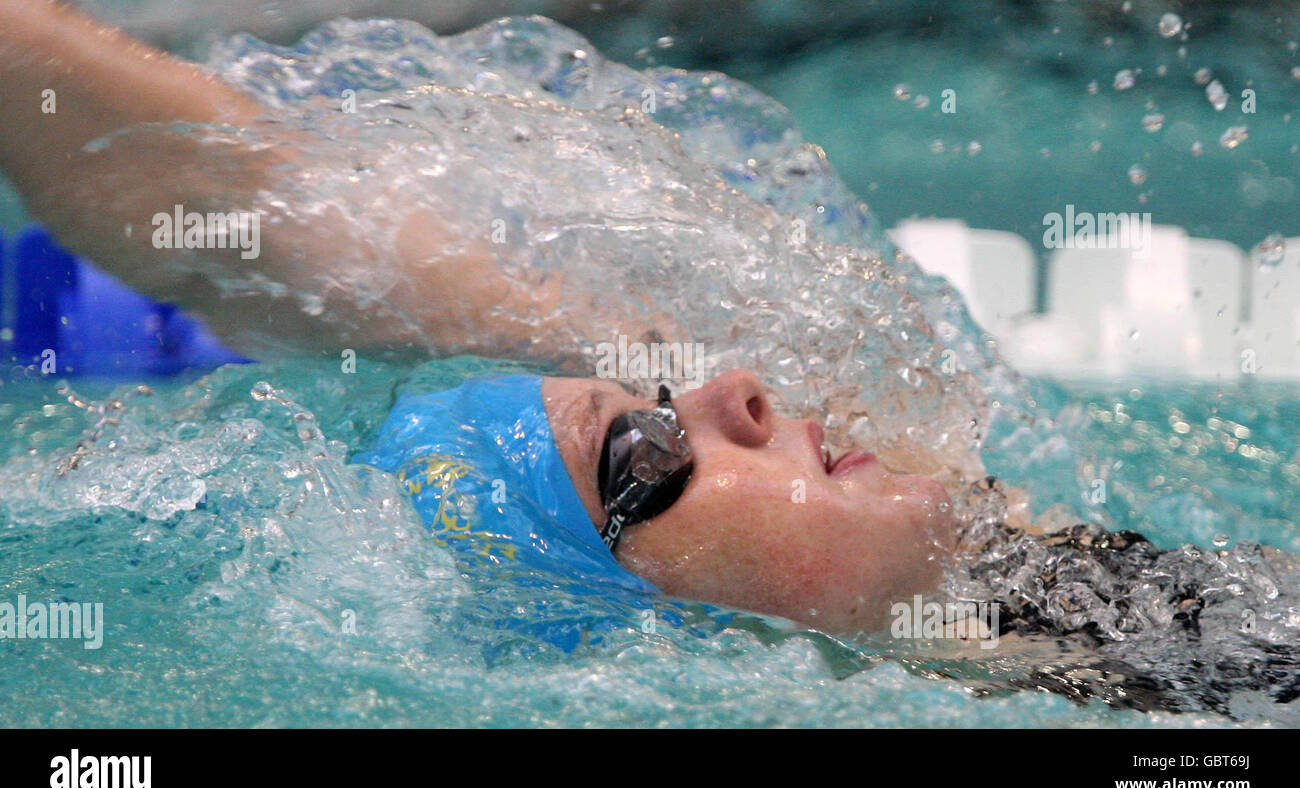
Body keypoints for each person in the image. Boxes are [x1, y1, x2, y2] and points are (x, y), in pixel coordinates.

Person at [0, 0, 955, 635]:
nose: (743, 391)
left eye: (660, 405)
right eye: (644, 457)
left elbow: (264, 210)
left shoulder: (1009, 568)